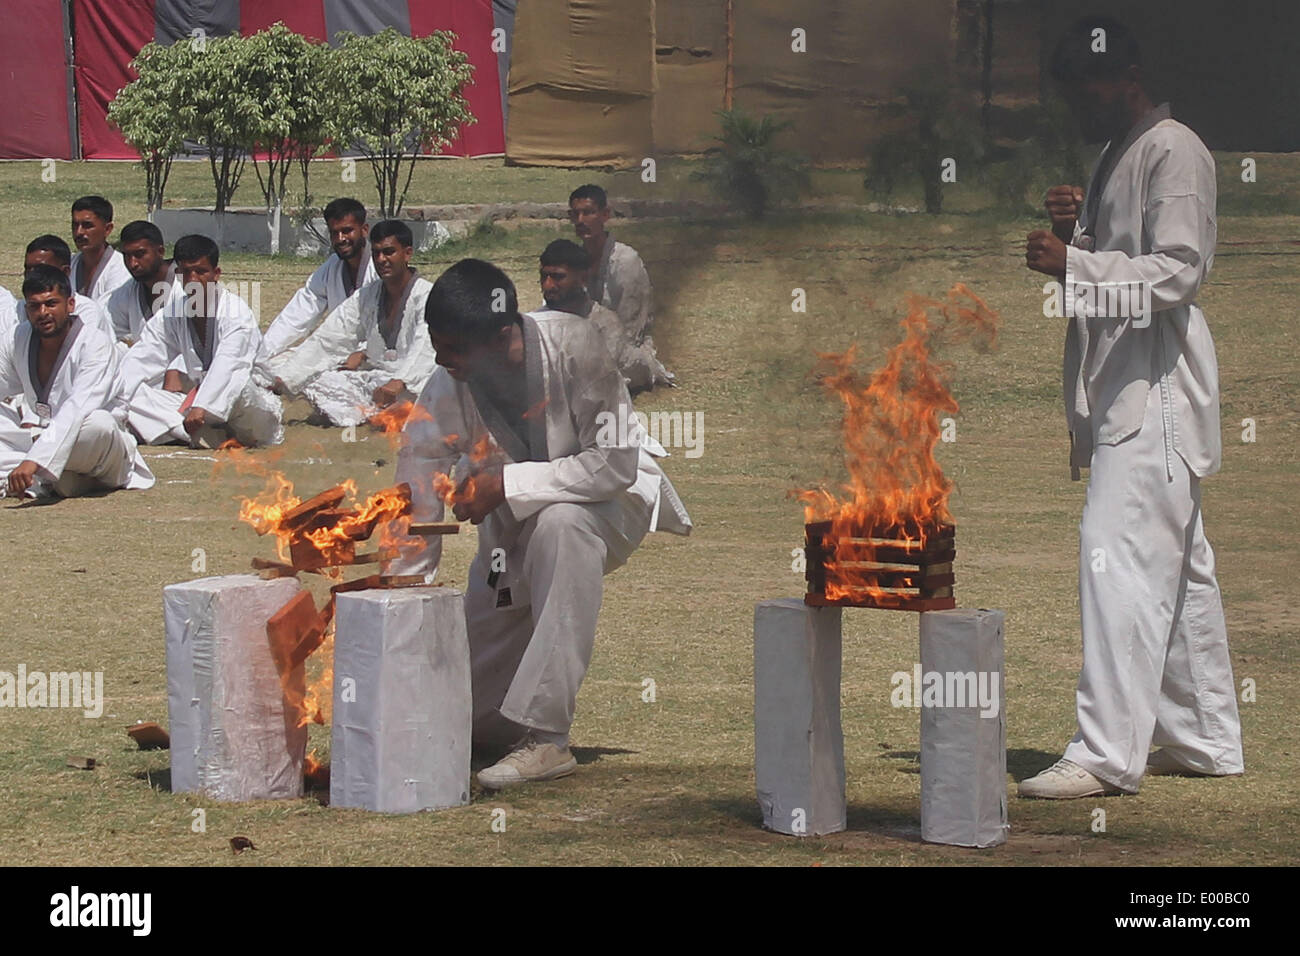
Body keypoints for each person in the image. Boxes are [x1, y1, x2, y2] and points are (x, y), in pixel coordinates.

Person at [1019, 16, 1243, 799]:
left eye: (1088, 88)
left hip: (1158, 395)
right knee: (1178, 572)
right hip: (1128, 392)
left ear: (1128, 79)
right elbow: (1127, 259)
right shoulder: (1119, 151)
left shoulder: (1172, 147)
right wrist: (1069, 233)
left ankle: (1108, 752)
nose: (1079, 104)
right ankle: (1203, 737)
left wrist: (1073, 260)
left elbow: (1178, 271)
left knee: (1113, 560)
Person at [387, 259, 691, 789]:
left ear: (502, 333)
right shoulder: (450, 377)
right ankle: (512, 725)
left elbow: (614, 462)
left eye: (454, 348)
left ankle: (547, 738)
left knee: (562, 525)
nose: (443, 360)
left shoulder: (580, 347)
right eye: (438, 346)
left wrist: (504, 485)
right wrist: (406, 582)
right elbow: (420, 464)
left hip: (611, 504)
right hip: (512, 534)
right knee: (468, 714)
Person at [0, 265, 154, 499]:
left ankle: (39, 472)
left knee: (97, 423)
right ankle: (61, 477)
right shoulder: (17, 337)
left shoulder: (95, 344)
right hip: (44, 436)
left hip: (99, 447)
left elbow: (78, 407)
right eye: (34, 306)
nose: (43, 313)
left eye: (51, 303)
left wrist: (33, 460)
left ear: (70, 304)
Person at [121, 234, 282, 448]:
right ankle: (205, 435)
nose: (193, 279)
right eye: (186, 272)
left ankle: (201, 432)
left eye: (201, 271)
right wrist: (110, 400)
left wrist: (203, 405)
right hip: (199, 407)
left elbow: (230, 363)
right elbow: (142, 356)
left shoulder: (235, 312)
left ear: (216, 274)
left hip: (250, 407)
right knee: (130, 395)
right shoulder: (173, 313)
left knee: (239, 386)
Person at [269, 220, 435, 427]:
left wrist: (399, 382)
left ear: (407, 253)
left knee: (426, 392)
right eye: (376, 253)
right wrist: (285, 378)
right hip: (375, 381)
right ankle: (375, 412)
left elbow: (426, 347)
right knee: (310, 374)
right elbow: (331, 338)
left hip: (415, 385)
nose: (381, 259)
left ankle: (387, 413)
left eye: (389, 252)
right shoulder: (367, 295)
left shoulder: (428, 296)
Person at [255, 197, 378, 377]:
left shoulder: (380, 268)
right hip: (338, 354)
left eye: (347, 231)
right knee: (270, 367)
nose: (341, 239)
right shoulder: (332, 267)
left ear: (364, 230)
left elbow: (390, 325)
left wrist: (364, 352)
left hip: (375, 358)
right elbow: (299, 313)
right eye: (334, 233)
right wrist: (262, 352)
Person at [568, 184, 674, 389]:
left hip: (624, 350)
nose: (581, 221)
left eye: (588, 213)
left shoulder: (626, 261)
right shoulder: (573, 260)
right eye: (576, 214)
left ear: (605, 215)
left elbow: (630, 330)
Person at [537, 239, 673, 392]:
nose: (547, 285)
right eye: (544, 276)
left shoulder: (603, 325)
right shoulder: (537, 321)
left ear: (582, 278)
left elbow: (600, 384)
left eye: (558, 277)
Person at [103, 220, 180, 354]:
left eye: (140, 255)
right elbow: (107, 328)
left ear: (160, 251)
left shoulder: (185, 288)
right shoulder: (127, 291)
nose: (132, 264)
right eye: (126, 255)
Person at [23, 236, 114, 338]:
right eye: (28, 269)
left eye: (40, 269)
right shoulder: (18, 309)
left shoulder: (87, 313)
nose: (31, 275)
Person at [69, 195, 131, 306]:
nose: (79, 232)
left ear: (107, 229)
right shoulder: (69, 264)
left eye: (87, 226)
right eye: (75, 225)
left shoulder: (121, 269)